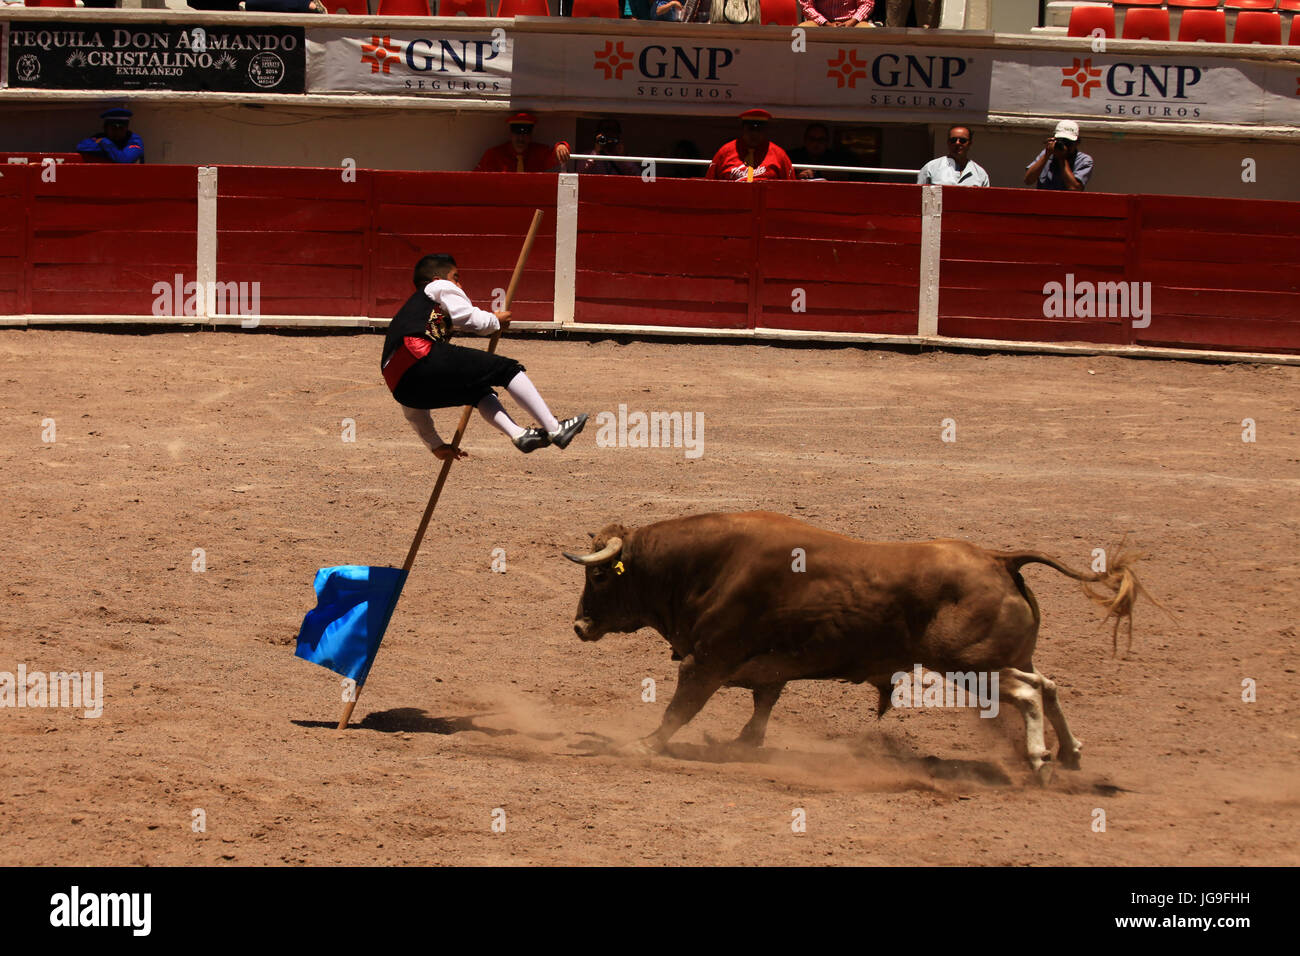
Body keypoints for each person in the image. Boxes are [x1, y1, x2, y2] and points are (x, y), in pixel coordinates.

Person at [382, 254, 587, 458]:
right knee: (506, 369)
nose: (459, 285)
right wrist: (494, 320)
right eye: (456, 277)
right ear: (438, 279)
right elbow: (470, 318)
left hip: (403, 389)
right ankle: (555, 429)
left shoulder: (413, 317)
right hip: (421, 354)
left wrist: (434, 444)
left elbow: (411, 397)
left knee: (477, 390)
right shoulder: (436, 288)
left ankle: (520, 435)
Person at [705, 109, 794, 183]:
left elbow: (790, 188)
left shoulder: (779, 155)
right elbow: (709, 185)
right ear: (743, 129)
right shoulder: (725, 153)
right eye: (750, 129)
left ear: (766, 131)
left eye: (759, 130)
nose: (754, 134)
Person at [473, 113, 571, 173]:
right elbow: (475, 180)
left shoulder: (537, 153)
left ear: (531, 136)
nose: (521, 138)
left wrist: (561, 146)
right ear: (511, 134)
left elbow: (553, 155)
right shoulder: (493, 155)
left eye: (525, 134)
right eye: (517, 133)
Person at [1023, 120, 1093, 191]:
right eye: (1062, 141)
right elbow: (1028, 180)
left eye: (1069, 143)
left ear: (1077, 142)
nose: (1065, 145)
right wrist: (1046, 156)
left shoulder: (1084, 160)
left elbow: (1075, 188)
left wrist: (1062, 159)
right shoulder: (1047, 153)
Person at [917, 125, 989, 187]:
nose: (957, 143)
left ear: (969, 143)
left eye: (962, 140)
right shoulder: (931, 168)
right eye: (953, 140)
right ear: (948, 142)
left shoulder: (980, 173)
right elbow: (919, 195)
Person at [790, 123, 858, 181]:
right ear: (805, 140)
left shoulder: (837, 159)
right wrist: (797, 177)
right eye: (812, 139)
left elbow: (848, 177)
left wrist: (835, 176)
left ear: (827, 142)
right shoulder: (793, 157)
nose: (816, 143)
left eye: (821, 140)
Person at [75, 108, 144, 164]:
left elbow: (124, 161)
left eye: (121, 128)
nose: (117, 131)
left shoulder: (134, 140)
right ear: (105, 128)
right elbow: (81, 147)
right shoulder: (100, 137)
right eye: (113, 128)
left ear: (127, 128)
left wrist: (105, 143)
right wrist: (114, 153)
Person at [798, 0, 875, 27]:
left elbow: (867, 3)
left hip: (853, 22)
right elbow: (806, 5)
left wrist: (852, 21)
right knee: (802, 30)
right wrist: (826, 23)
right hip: (819, 23)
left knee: (868, 30)